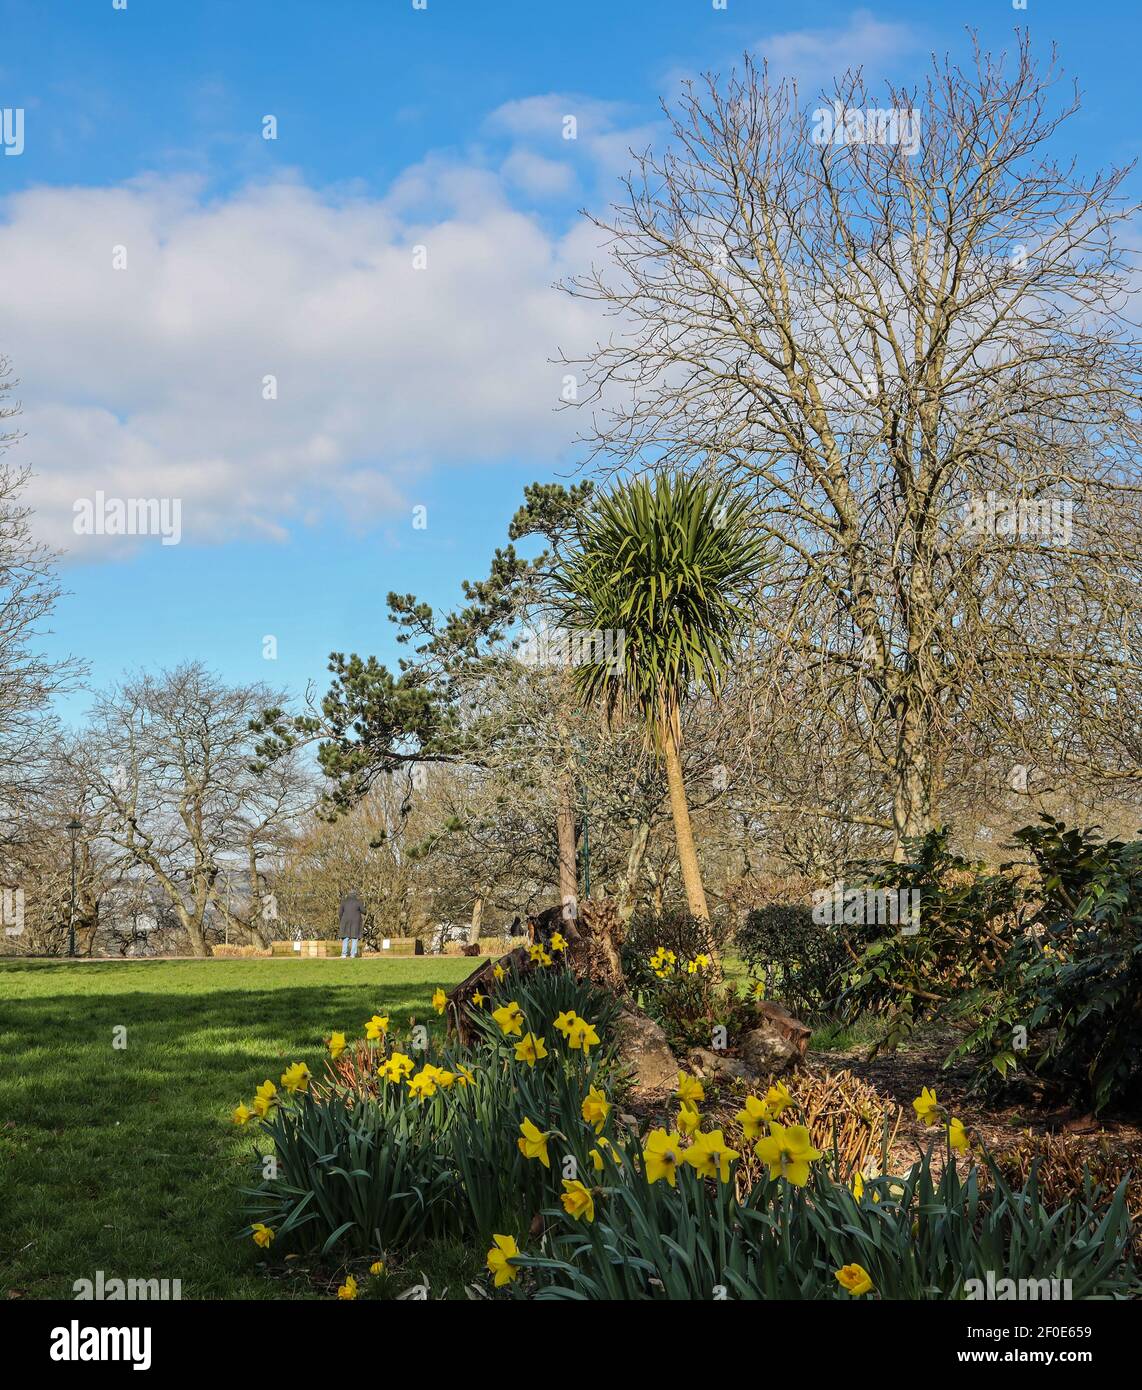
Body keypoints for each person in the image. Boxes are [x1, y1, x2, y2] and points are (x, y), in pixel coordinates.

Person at [338, 890, 363, 958]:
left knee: (345, 937)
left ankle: (343, 954)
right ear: (355, 895)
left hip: (345, 921)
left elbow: (340, 912)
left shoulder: (344, 902)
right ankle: (352, 954)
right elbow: (364, 911)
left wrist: (342, 919)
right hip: (355, 921)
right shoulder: (358, 902)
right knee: (354, 938)